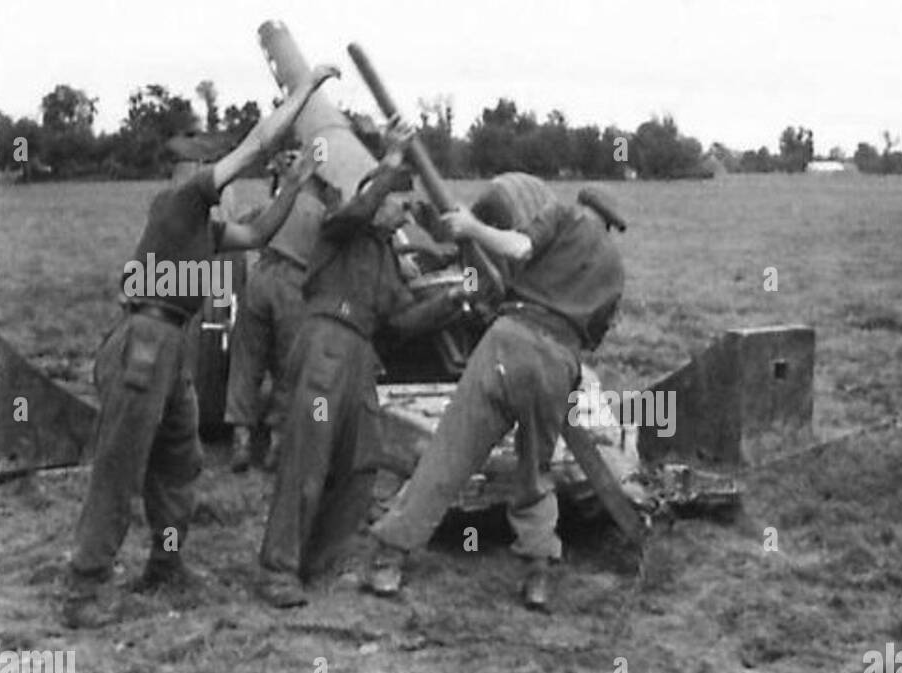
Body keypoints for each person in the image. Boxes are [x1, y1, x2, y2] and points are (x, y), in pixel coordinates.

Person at [61, 65, 339, 628]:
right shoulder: (182, 197)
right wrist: (305, 88)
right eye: (219, 170)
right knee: (120, 468)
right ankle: (83, 589)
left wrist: (294, 185)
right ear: (197, 171)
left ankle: (165, 563)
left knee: (180, 461)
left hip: (168, 347)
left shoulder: (200, 228)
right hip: (143, 341)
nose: (227, 181)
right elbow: (260, 142)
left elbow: (258, 236)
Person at [365, 174, 627, 611]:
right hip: (561, 361)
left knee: (449, 454)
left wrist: (472, 228)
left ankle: (389, 562)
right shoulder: (615, 268)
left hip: (511, 340)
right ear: (610, 225)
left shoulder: (563, 216)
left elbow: (520, 248)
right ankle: (538, 574)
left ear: (584, 206)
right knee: (536, 469)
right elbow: (594, 336)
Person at [257, 125, 461, 608]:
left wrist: (454, 301)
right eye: (398, 200)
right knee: (308, 456)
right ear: (375, 196)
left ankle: (322, 563)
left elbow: (400, 319)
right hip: (324, 346)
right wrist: (389, 162)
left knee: (361, 464)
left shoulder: (385, 256)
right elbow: (361, 208)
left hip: (360, 359)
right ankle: (278, 572)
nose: (405, 209)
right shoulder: (341, 228)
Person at [224, 150, 324, 471]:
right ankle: (277, 444)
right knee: (289, 365)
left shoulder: (270, 206)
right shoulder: (321, 212)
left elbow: (239, 226)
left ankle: (241, 439)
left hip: (260, 277)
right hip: (294, 284)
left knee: (246, 360)